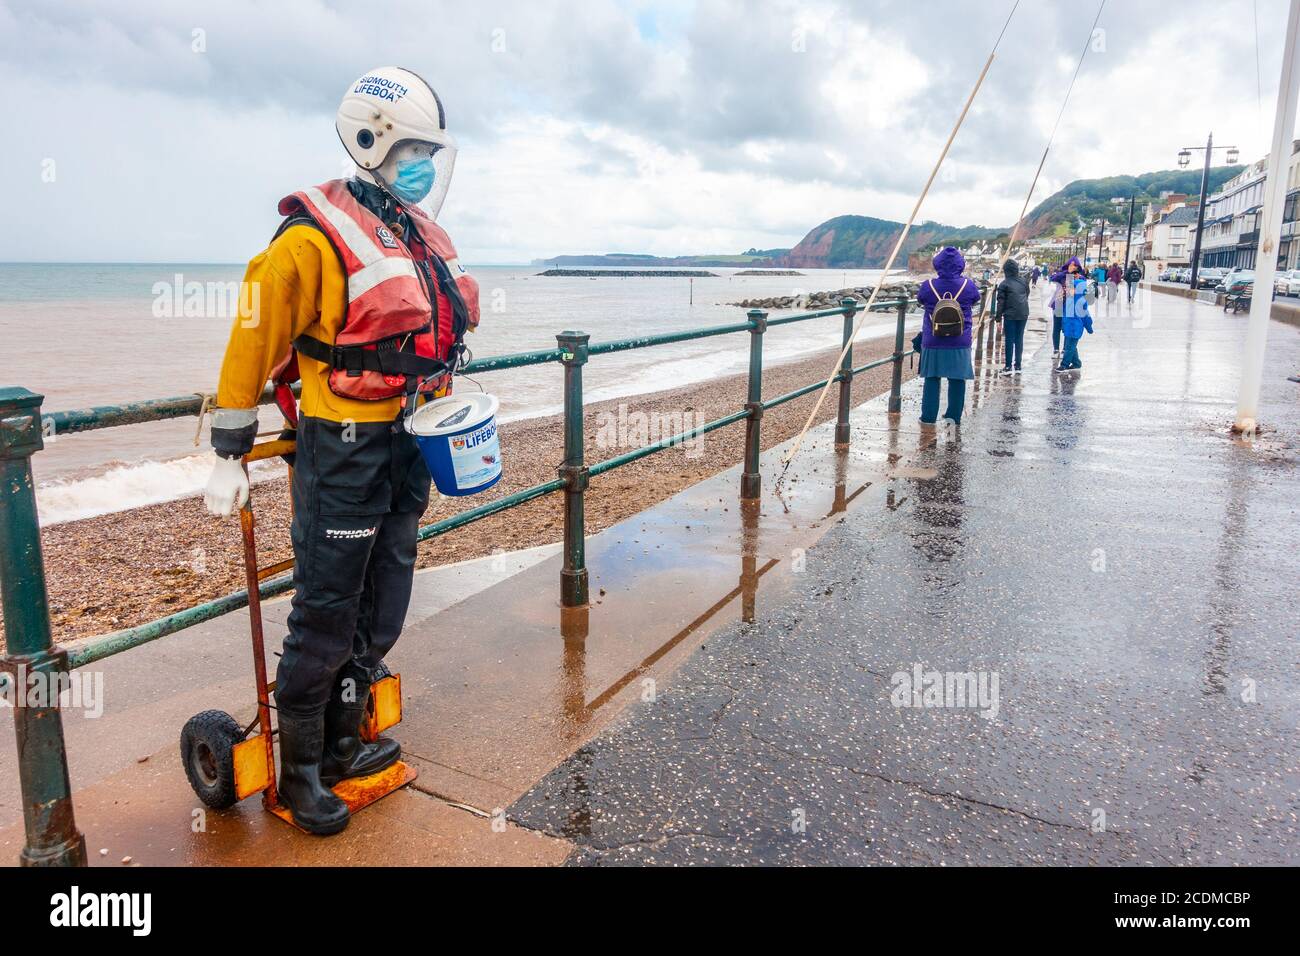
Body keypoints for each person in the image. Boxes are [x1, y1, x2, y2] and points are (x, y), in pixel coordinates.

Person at [202, 67, 481, 835]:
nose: (426, 164)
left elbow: (433, 333)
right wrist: (227, 450)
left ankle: (340, 742)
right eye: (415, 147)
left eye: (432, 150)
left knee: (383, 598)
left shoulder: (415, 234)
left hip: (409, 440)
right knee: (324, 611)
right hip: (344, 444)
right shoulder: (311, 237)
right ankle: (299, 773)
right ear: (374, 139)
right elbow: (251, 337)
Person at [915, 247, 980, 430]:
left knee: (932, 378)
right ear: (960, 265)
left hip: (933, 339)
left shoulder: (928, 285)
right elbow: (975, 299)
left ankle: (928, 417)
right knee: (957, 379)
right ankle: (953, 417)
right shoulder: (968, 285)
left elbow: (921, 299)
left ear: (937, 264)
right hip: (960, 340)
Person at [992, 259, 1030, 374]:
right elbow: (1027, 294)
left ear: (1006, 271)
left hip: (1010, 314)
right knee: (1019, 339)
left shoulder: (1004, 284)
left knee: (1009, 339)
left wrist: (998, 319)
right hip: (1023, 313)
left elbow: (1000, 303)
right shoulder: (1024, 281)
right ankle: (1018, 366)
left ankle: (1008, 367)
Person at [1055, 265, 1093, 372]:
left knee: (1070, 346)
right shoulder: (1069, 300)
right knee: (1070, 345)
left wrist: (1089, 327)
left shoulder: (1080, 301)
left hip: (1076, 326)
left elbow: (1086, 315)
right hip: (1069, 325)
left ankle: (1064, 364)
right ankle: (1076, 363)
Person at [1049, 257, 1085, 356]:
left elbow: (1083, 287)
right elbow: (1052, 278)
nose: (1073, 267)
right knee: (1057, 327)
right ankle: (1056, 350)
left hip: (1070, 306)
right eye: (1071, 265)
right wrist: (1067, 273)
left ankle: (1065, 349)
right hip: (1059, 304)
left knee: (1067, 327)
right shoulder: (1062, 275)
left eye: (1075, 265)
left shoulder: (1080, 277)